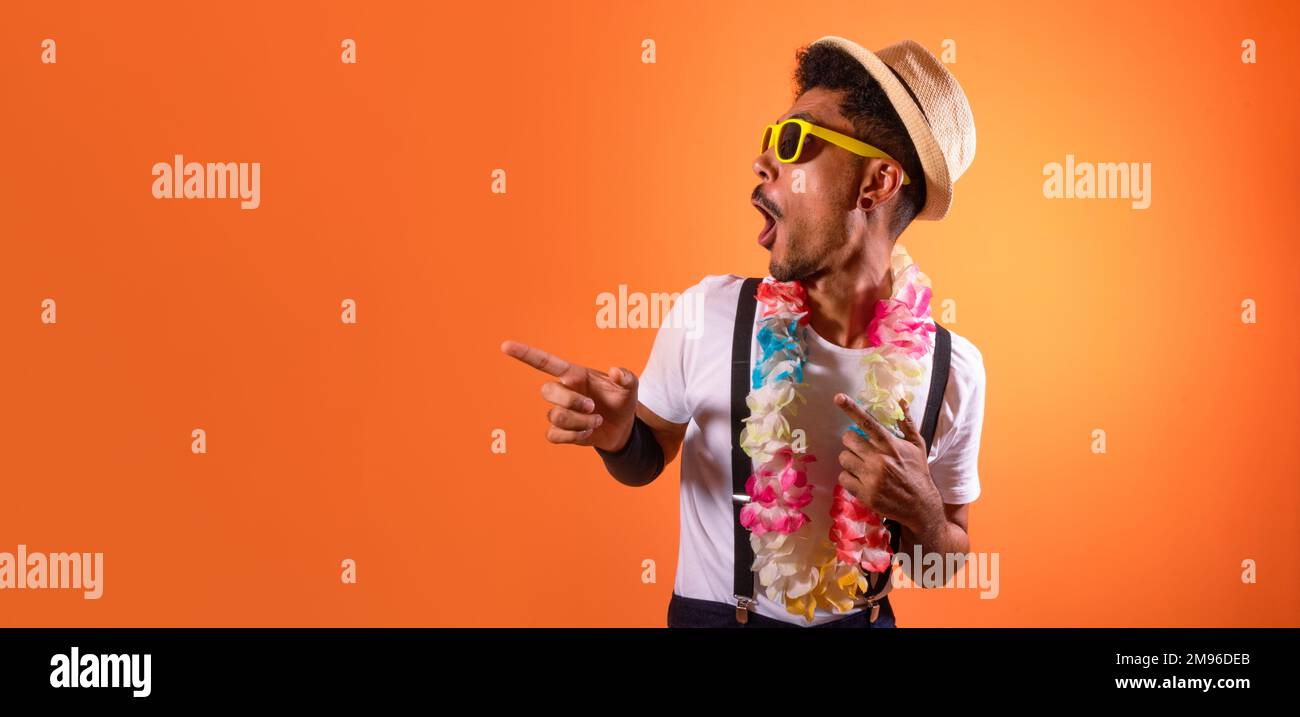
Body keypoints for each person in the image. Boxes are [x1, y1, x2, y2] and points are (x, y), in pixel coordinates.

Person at [502, 36, 984, 627]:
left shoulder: (951, 367)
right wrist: (619, 433)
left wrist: (927, 516)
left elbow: (945, 561)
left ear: (877, 183)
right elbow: (646, 460)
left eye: (794, 141)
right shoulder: (707, 314)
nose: (762, 162)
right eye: (768, 138)